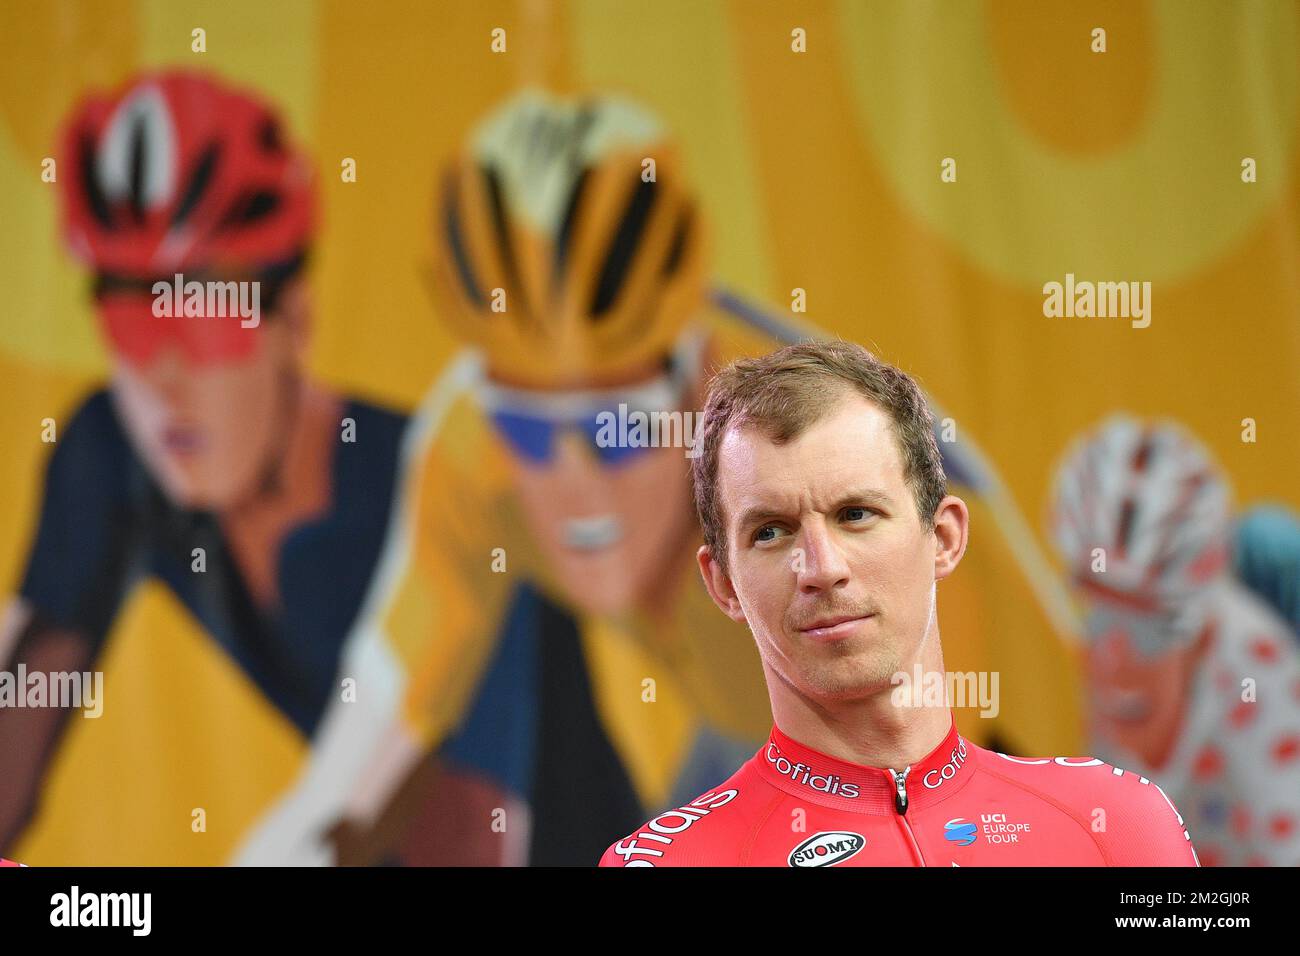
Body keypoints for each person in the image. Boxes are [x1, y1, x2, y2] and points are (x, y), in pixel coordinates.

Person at [236, 89, 1080, 867]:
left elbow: (943, 812)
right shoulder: (471, 450)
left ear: (693, 385)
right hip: (764, 744)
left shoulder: (806, 455)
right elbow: (346, 789)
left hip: (1024, 737)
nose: (574, 487)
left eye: (617, 429)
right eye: (529, 431)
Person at [0, 70, 406, 860]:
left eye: (205, 321)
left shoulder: (421, 483)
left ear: (296, 319)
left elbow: (469, 817)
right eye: (132, 325)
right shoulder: (112, 448)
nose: (164, 380)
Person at [601, 342, 1198, 866]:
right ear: (723, 583)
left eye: (856, 515)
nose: (822, 568)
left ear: (943, 538)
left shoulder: (1116, 826)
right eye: (771, 531)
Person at [1049, 415, 1300, 867]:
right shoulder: (1068, 663)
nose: (1115, 660)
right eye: (1099, 617)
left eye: (1152, 631)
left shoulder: (1263, 706)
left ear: (1203, 635)